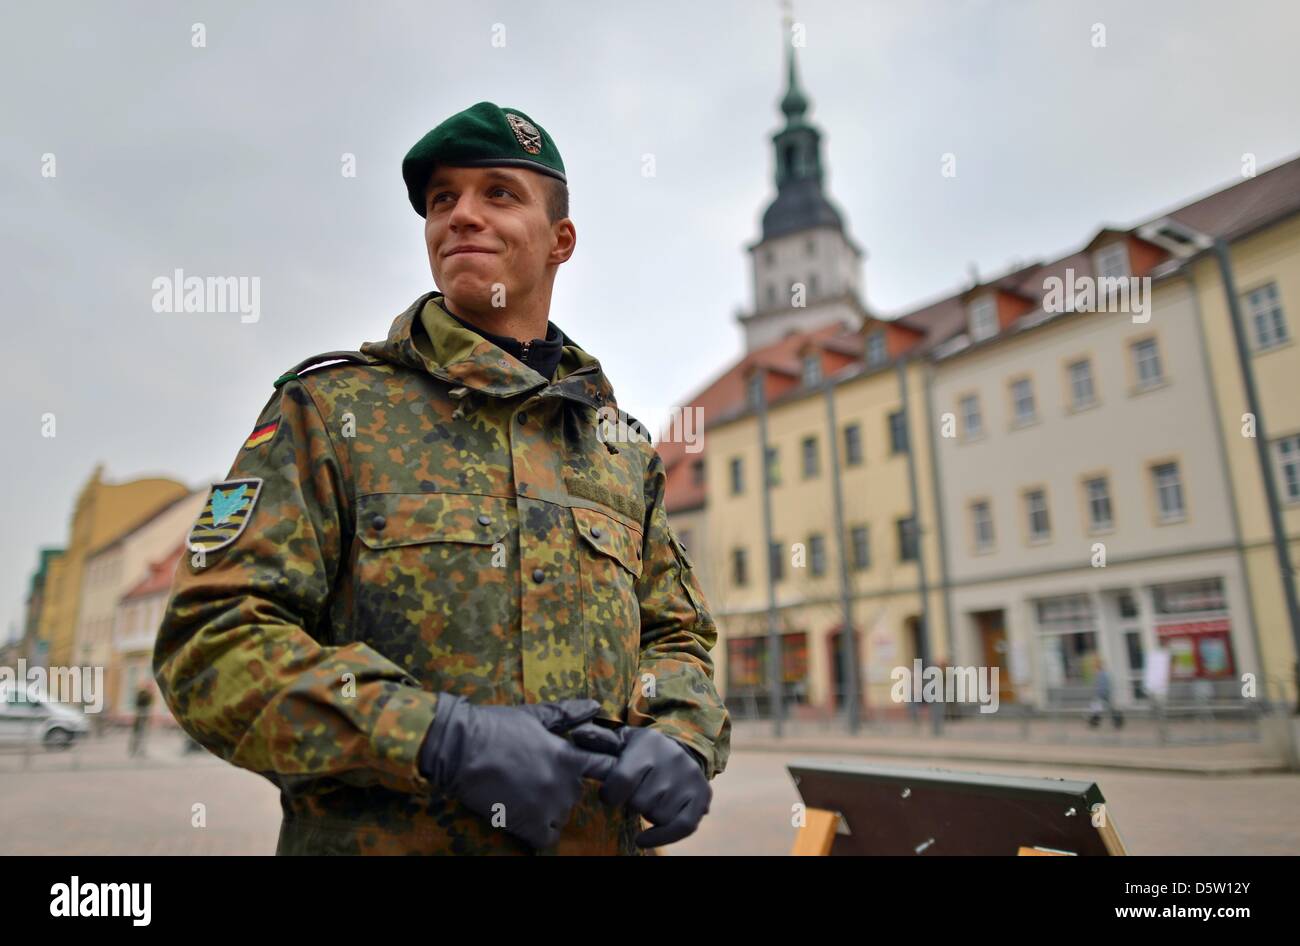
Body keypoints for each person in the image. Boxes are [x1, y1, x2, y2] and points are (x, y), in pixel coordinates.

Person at [153, 101, 730, 855]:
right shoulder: (331, 410)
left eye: (498, 192)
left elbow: (677, 635)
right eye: (441, 200)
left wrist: (682, 734)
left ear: (562, 241)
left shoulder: (618, 448)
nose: (461, 215)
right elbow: (209, 646)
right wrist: (440, 739)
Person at [128, 684, 153, 757]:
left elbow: (150, 705)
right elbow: (138, 703)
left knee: (143, 735)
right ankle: (134, 749)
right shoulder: (141, 694)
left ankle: (141, 750)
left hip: (144, 717)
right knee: (136, 735)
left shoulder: (149, 695)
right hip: (139, 717)